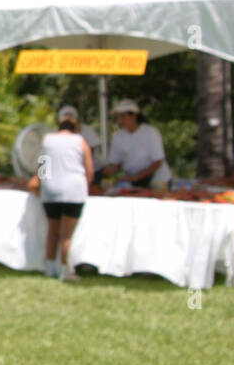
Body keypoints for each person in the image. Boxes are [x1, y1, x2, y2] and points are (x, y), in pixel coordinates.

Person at [28, 105, 93, 282]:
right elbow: (89, 171)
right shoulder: (80, 141)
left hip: (50, 191)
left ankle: (49, 267)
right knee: (66, 235)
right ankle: (65, 270)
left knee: (52, 231)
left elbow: (42, 169)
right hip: (73, 190)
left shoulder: (48, 140)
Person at [101, 99, 171, 189]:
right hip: (134, 182)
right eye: (118, 117)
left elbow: (158, 161)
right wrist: (108, 170)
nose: (120, 121)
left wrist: (136, 177)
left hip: (158, 181)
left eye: (123, 117)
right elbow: (116, 163)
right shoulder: (118, 136)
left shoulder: (150, 132)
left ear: (134, 116)